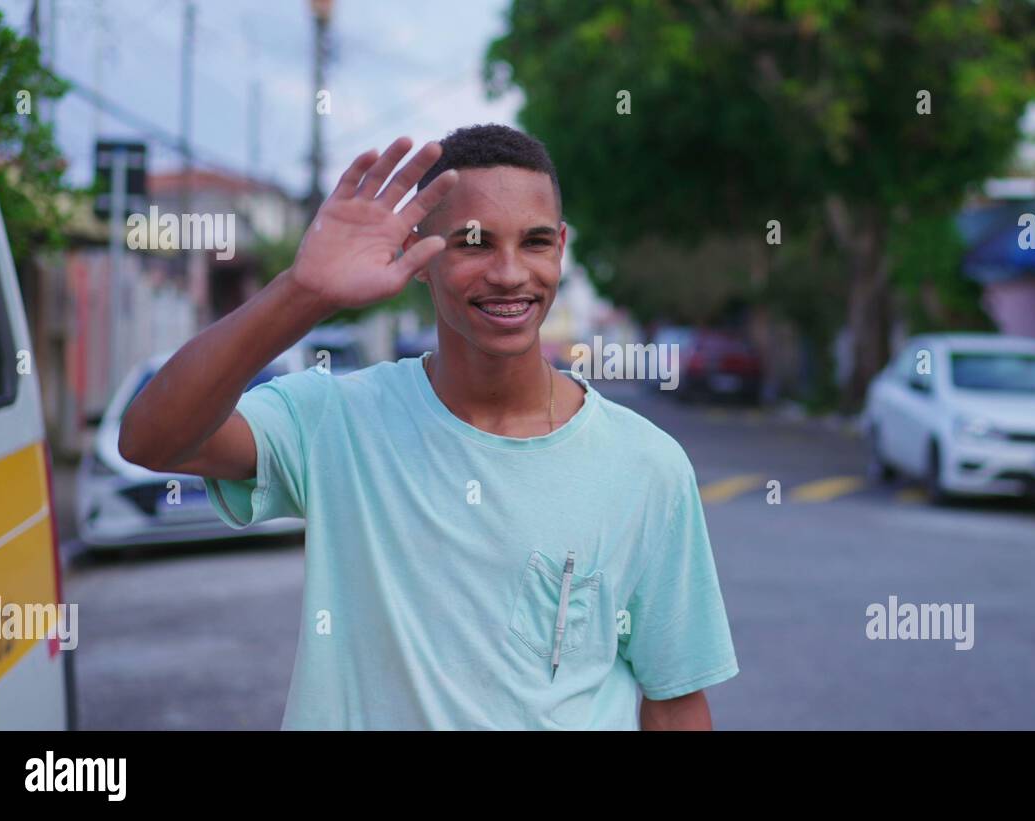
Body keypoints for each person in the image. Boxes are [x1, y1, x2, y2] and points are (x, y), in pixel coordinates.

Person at [118, 124, 738, 730]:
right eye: (474, 242)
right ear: (420, 255)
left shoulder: (646, 464)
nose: (509, 273)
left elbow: (676, 704)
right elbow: (150, 439)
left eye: (535, 242)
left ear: (562, 247)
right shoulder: (336, 421)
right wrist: (303, 293)